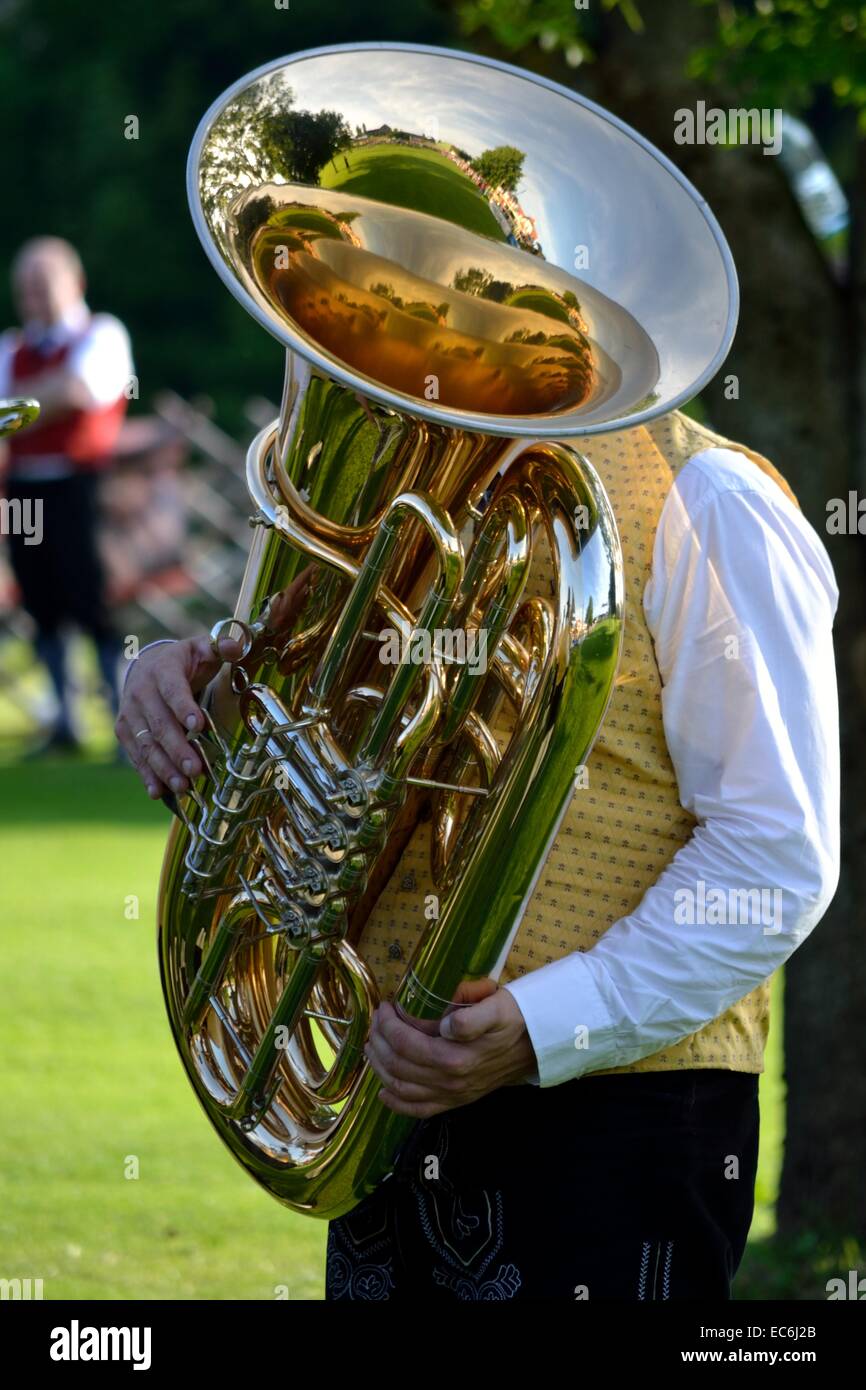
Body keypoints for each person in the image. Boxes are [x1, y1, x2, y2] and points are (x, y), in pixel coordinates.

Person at [116, 409, 839, 1301]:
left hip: (616, 1121)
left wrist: (546, 1024)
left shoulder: (713, 497)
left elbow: (774, 860)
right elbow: (309, 728)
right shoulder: (401, 470)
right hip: (380, 1100)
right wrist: (184, 685)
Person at [0, 237, 133, 751]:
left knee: (93, 600)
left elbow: (80, 390)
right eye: (24, 285)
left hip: (82, 484)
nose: (31, 295)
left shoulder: (101, 334)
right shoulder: (14, 348)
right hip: (25, 487)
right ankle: (64, 719)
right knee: (42, 603)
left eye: (42, 283)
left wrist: (23, 407)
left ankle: (124, 720)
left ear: (73, 284)